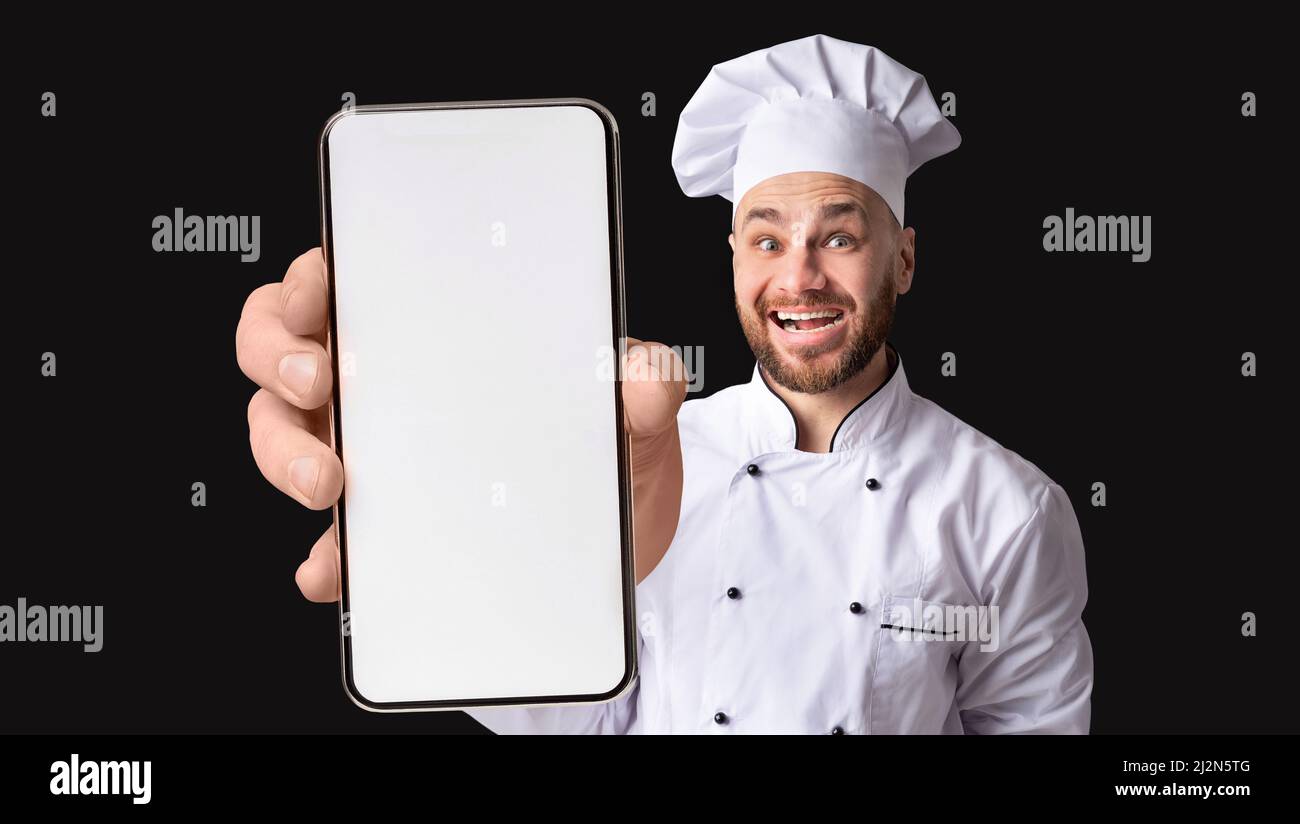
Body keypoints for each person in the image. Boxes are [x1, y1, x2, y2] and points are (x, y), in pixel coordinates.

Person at [236, 34, 1093, 734]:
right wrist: (431, 520)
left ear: (902, 259)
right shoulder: (645, 456)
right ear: (731, 260)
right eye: (766, 240)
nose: (798, 277)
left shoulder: (1008, 511)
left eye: (839, 237)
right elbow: (578, 716)